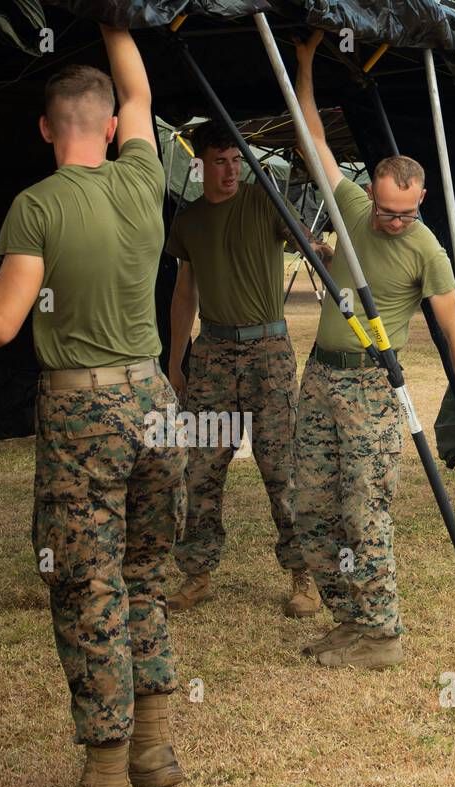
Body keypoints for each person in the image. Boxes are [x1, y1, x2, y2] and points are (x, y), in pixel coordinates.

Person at [0, 25, 184, 787]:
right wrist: (117, 24)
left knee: (87, 587)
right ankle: (152, 751)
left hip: (85, 413)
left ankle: (107, 784)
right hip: (156, 400)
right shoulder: (144, 177)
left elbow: (1, 324)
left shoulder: (37, 206)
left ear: (46, 129)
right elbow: (142, 93)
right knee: (145, 573)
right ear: (110, 126)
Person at [292, 32, 455, 669]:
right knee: (310, 507)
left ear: (421, 202)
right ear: (371, 192)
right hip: (319, 378)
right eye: (385, 210)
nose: (392, 221)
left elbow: (454, 334)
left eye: (404, 213)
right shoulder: (351, 206)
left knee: (364, 508)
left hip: (373, 389)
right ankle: (349, 618)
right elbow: (310, 137)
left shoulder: (424, 249)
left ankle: (382, 633)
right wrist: (302, 64)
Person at [165, 121, 328, 618]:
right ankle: (197, 573)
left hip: (268, 352)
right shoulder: (189, 220)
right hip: (213, 354)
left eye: (237, 159)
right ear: (201, 165)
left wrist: (308, 231)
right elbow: (185, 291)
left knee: (282, 469)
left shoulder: (264, 199)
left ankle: (304, 574)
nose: (231, 169)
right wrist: (175, 361)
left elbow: (305, 240)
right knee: (201, 469)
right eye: (220, 161)